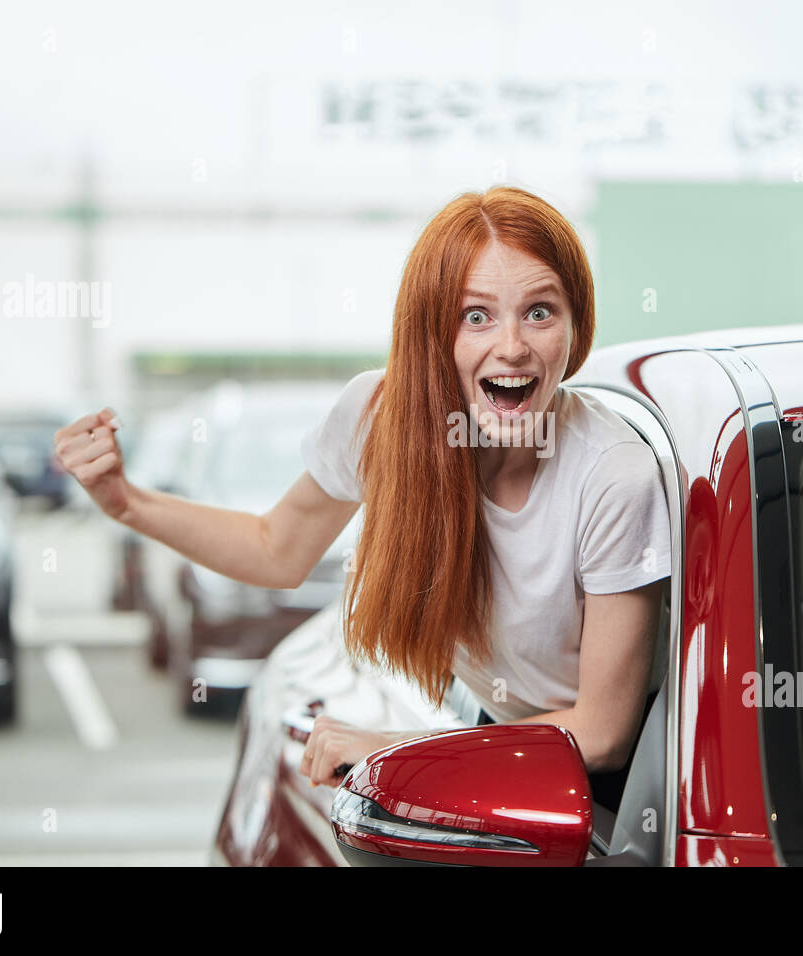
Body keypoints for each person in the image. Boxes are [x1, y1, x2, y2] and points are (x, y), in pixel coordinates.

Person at [54, 185, 671, 809]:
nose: (511, 346)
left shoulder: (614, 476)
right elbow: (276, 550)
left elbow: (602, 734)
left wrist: (400, 749)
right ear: (431, 330)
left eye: (540, 312)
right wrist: (126, 502)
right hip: (504, 737)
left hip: (623, 790)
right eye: (475, 316)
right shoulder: (379, 418)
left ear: (576, 324)